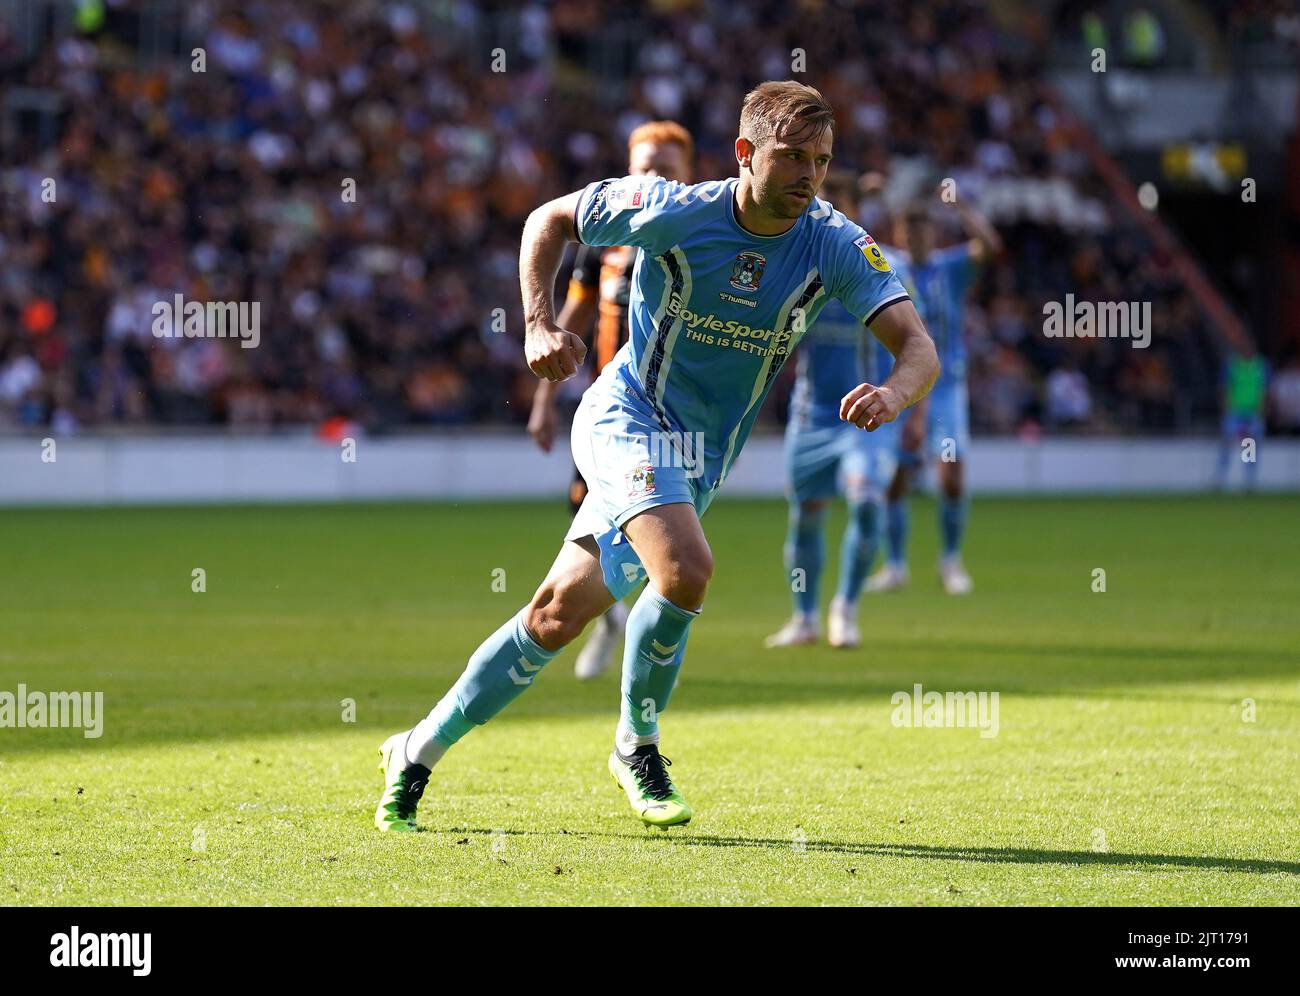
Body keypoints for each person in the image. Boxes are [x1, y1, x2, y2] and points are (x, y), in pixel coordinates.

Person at [374, 81, 939, 832]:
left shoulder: (833, 241)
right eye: (792, 157)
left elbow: (919, 347)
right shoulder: (673, 211)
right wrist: (538, 327)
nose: (809, 175)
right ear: (745, 154)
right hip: (626, 417)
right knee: (688, 568)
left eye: (822, 160)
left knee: (553, 617)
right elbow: (549, 219)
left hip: (701, 458)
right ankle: (636, 745)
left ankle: (413, 750)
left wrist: (895, 395)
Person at [526, 121, 695, 680]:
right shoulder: (601, 248)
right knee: (586, 509)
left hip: (673, 415)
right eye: (643, 167)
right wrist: (543, 402)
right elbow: (569, 324)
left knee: (662, 535)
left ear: (688, 176)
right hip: (608, 409)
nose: (651, 177)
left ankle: (635, 638)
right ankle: (610, 619)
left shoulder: (699, 243)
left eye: (665, 170)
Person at [764, 170, 901, 649]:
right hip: (811, 415)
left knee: (866, 501)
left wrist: (912, 407)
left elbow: (916, 340)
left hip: (865, 415)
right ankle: (804, 618)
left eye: (841, 203)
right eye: (826, 201)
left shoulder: (877, 264)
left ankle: (846, 605)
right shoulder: (794, 263)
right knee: (805, 516)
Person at [868, 191, 1001, 595]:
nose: (916, 236)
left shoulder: (951, 266)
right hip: (902, 386)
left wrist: (962, 207)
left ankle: (950, 560)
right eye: (909, 229)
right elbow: (843, 237)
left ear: (934, 232)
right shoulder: (888, 262)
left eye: (923, 228)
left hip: (943, 389)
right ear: (898, 231)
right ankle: (894, 566)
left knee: (951, 474)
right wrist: (867, 199)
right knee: (896, 477)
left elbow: (991, 248)